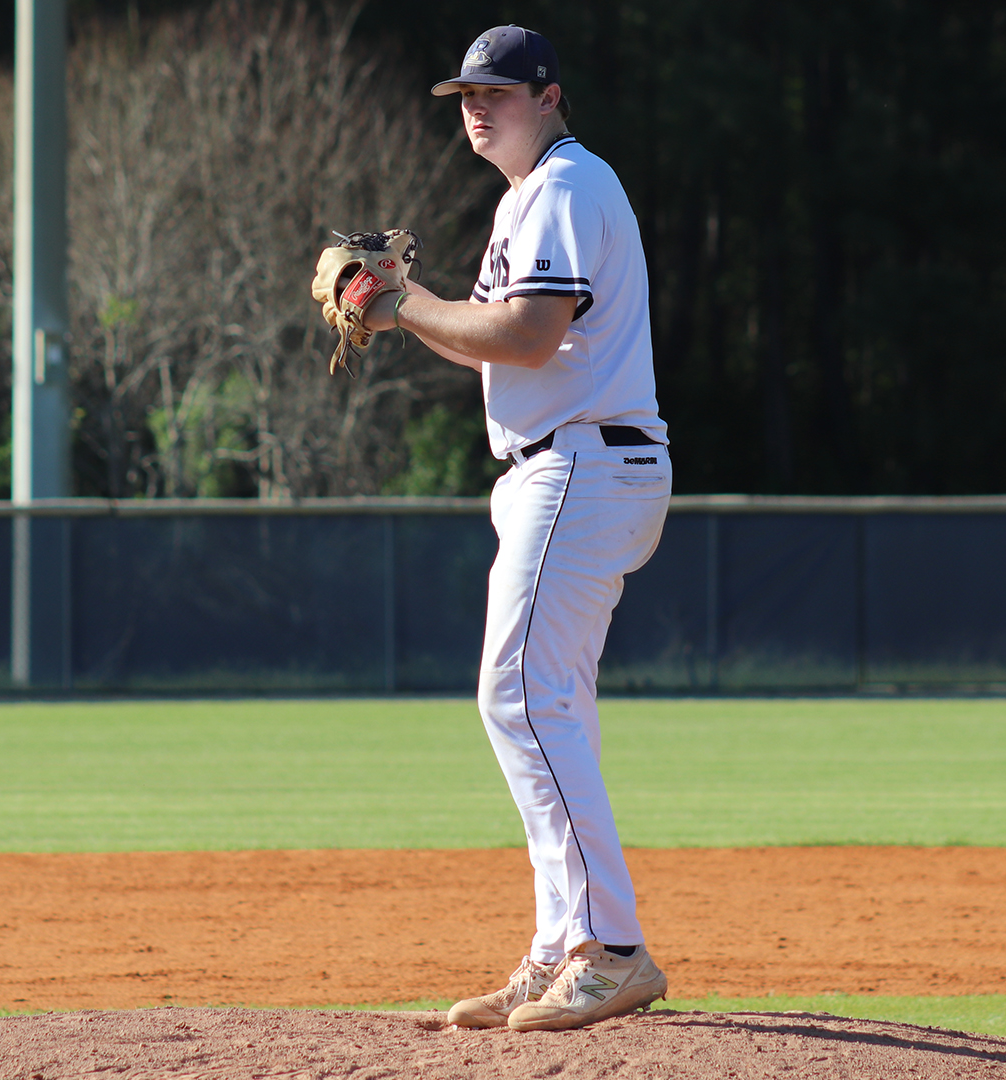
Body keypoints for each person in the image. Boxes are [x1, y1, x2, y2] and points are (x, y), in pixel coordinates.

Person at [355, 24, 672, 1032]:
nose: (476, 107)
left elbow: (529, 337)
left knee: (518, 697)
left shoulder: (569, 186)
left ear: (551, 95)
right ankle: (557, 948)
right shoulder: (528, 198)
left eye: (497, 91)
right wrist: (405, 308)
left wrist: (404, 302)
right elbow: (493, 337)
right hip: (573, 465)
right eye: (463, 95)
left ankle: (611, 948)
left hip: (581, 462)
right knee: (547, 705)